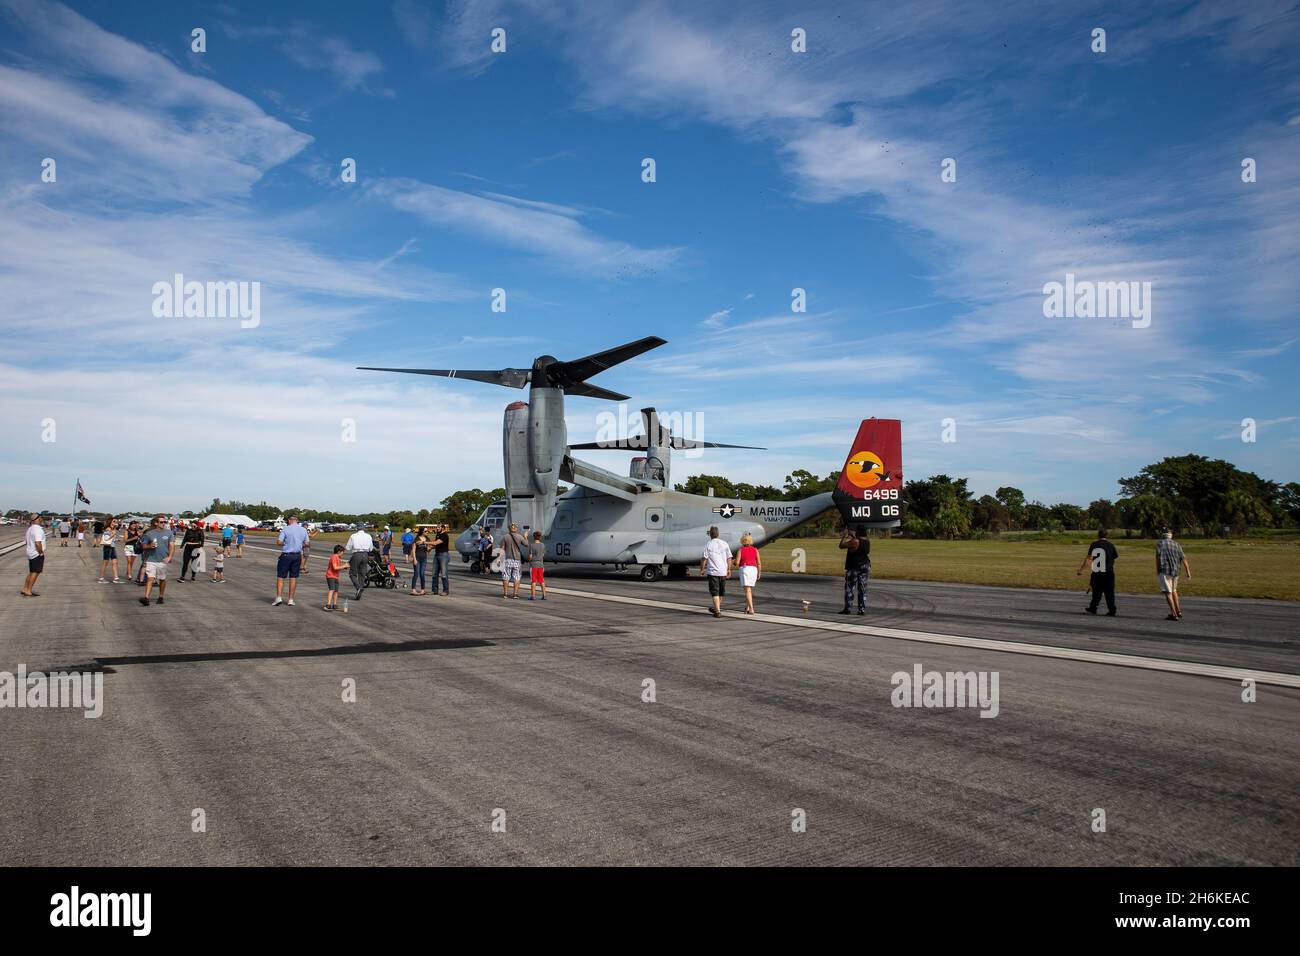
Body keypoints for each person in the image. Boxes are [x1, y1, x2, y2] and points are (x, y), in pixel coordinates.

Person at [1077, 528, 1118, 616]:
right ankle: (1112, 609)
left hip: (1097, 571)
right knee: (1109, 592)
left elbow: (1089, 558)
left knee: (1096, 591)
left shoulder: (1094, 544)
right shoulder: (1111, 545)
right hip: (1109, 572)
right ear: (1107, 535)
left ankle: (1093, 607)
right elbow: (1114, 557)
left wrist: (1081, 569)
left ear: (1098, 535)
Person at [272, 515, 310, 606]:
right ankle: (291, 599)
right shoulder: (303, 530)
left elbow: (279, 542)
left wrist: (286, 543)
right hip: (297, 556)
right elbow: (307, 543)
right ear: (297, 521)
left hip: (286, 555)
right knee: (293, 577)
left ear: (289, 521)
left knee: (281, 576)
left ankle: (279, 597)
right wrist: (299, 545)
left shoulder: (286, 529)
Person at [138, 515, 175, 606]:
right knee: (150, 578)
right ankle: (146, 598)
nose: (163, 524)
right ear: (156, 523)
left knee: (162, 579)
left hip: (163, 560)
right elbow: (143, 546)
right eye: (161, 522)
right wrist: (150, 546)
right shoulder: (149, 534)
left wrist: (170, 557)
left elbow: (172, 546)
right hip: (151, 559)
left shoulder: (169, 533)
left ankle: (161, 596)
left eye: (164, 522)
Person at [1156, 529, 1191, 620]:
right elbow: (1183, 558)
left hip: (1165, 571)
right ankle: (1178, 611)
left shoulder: (1160, 544)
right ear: (1171, 535)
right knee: (1174, 590)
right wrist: (1188, 571)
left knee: (1168, 592)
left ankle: (1173, 614)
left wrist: (1158, 570)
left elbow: (1158, 558)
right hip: (1175, 572)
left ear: (1163, 535)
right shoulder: (1177, 544)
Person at [700, 526, 732, 617]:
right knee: (721, 592)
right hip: (723, 571)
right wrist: (729, 569)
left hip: (713, 572)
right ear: (718, 534)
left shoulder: (708, 544)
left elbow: (704, 558)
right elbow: (729, 558)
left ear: (710, 534)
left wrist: (702, 569)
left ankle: (717, 611)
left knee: (715, 592)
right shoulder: (725, 544)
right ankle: (716, 608)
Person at [838, 525, 870, 615]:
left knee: (850, 588)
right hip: (865, 565)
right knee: (862, 589)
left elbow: (841, 545)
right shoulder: (867, 541)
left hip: (854, 566)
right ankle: (861, 609)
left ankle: (847, 608)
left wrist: (844, 537)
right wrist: (853, 537)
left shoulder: (855, 541)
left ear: (858, 532)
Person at [499, 522, 529, 598]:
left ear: (509, 528)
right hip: (517, 560)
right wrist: (525, 537)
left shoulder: (505, 537)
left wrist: (499, 559)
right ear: (516, 528)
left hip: (507, 560)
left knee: (506, 577)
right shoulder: (520, 537)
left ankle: (505, 594)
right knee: (517, 577)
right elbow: (526, 544)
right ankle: (515, 594)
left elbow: (501, 549)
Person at [345, 526, 374, 600]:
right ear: (363, 528)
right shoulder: (368, 536)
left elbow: (348, 547)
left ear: (357, 528)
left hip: (357, 554)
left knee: (352, 573)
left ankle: (358, 588)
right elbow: (371, 548)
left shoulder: (353, 536)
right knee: (362, 574)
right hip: (365, 554)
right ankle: (359, 590)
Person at [735, 532, 761, 614]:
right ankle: (747, 607)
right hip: (754, 569)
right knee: (749, 590)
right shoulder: (755, 550)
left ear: (743, 541)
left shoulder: (741, 550)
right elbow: (759, 563)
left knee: (747, 590)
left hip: (745, 569)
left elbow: (737, 562)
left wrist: (734, 562)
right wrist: (759, 572)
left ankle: (751, 609)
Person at [20, 514, 46, 597]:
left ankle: (25, 588)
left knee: (31, 572)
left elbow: (27, 542)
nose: (42, 519)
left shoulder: (30, 529)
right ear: (37, 519)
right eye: (40, 517)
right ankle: (29, 591)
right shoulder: (38, 530)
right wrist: (41, 552)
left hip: (30, 552)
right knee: (35, 572)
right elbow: (38, 543)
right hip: (36, 554)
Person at [97, 517, 122, 584]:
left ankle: (116, 578)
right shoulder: (108, 529)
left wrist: (117, 539)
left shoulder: (113, 529)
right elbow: (106, 539)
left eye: (115, 521)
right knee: (105, 563)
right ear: (110, 522)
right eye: (114, 521)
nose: (115, 523)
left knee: (115, 562)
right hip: (108, 547)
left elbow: (111, 539)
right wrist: (113, 534)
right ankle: (101, 578)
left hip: (112, 547)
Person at [323, 544, 345, 610]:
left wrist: (344, 567)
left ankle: (335, 604)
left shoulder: (338, 557)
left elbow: (338, 567)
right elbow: (335, 567)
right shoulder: (334, 557)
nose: (343, 553)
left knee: (336, 591)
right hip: (330, 576)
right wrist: (344, 566)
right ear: (339, 551)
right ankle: (328, 604)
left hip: (335, 576)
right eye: (342, 552)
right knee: (332, 589)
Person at [432, 524, 451, 595]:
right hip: (437, 555)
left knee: (444, 574)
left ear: (442, 528)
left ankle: (445, 591)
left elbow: (436, 542)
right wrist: (430, 548)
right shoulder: (438, 535)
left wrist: (424, 542)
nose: (436, 528)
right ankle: (434, 590)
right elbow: (436, 545)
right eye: (436, 527)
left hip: (443, 555)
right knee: (434, 573)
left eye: (438, 527)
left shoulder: (445, 535)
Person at [527, 531, 547, 601]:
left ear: (533, 537)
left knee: (533, 581)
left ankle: (533, 596)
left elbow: (530, 556)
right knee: (541, 580)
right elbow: (543, 555)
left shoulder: (531, 545)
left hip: (533, 565)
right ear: (540, 537)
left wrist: (529, 560)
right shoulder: (543, 545)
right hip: (541, 565)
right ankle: (544, 595)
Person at [410, 530, 429, 596]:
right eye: (426, 531)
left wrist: (428, 547)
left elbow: (428, 549)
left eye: (427, 531)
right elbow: (413, 549)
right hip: (417, 558)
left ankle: (422, 590)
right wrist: (414, 559)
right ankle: (413, 590)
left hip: (424, 559)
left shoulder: (427, 539)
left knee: (422, 574)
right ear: (422, 532)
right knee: (416, 573)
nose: (427, 532)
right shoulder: (417, 539)